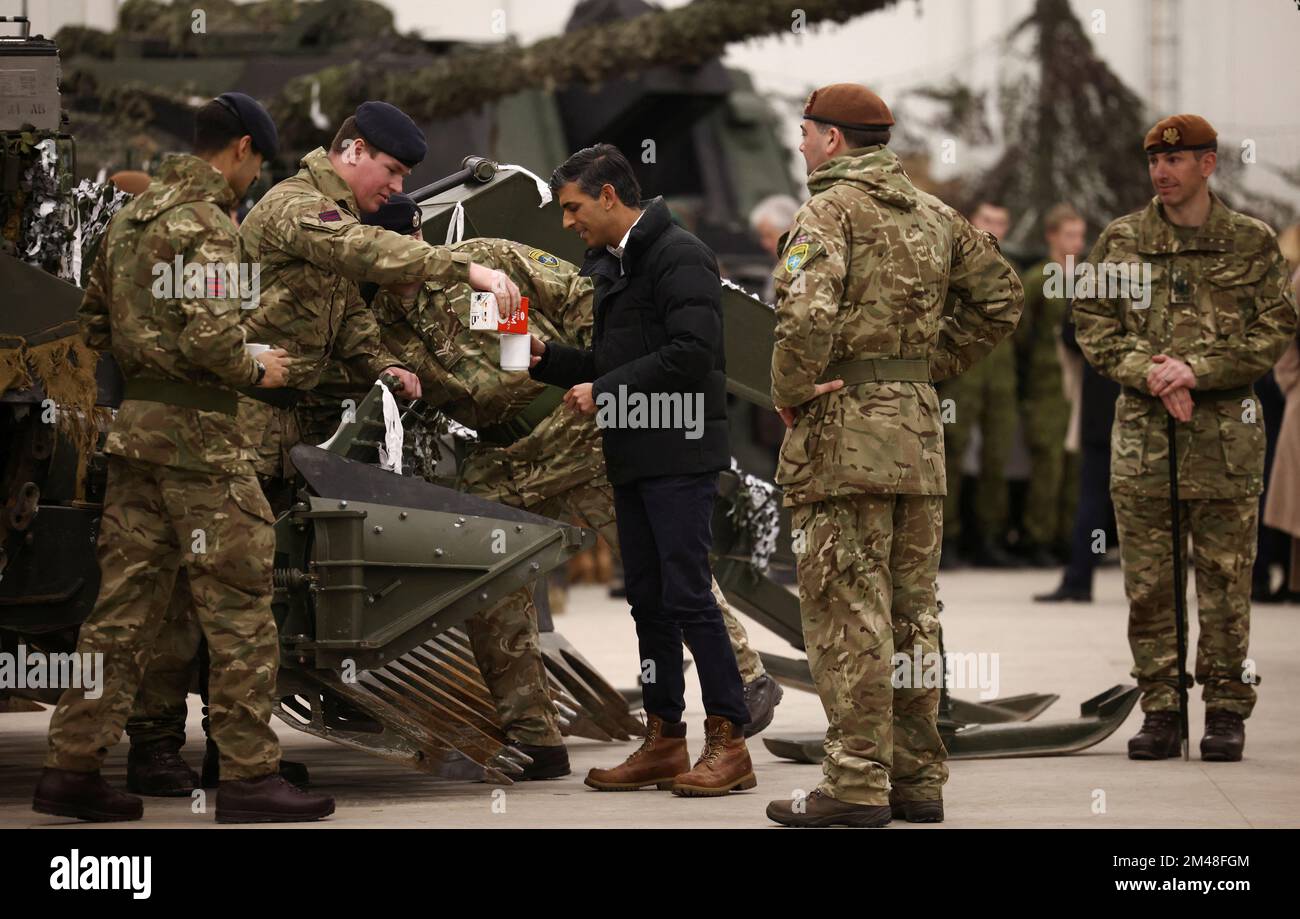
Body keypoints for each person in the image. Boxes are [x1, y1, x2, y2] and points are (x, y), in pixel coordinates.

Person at [352, 198, 782, 736]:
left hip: (574, 433)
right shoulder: (376, 324)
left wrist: (604, 381)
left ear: (418, 235)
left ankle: (745, 680)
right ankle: (532, 728)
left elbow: (587, 302)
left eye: (409, 242)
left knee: (667, 567)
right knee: (484, 582)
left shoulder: (490, 261)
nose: (404, 258)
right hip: (503, 460)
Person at [34, 93, 335, 823]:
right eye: (255, 163)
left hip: (137, 437)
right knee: (238, 607)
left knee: (122, 610)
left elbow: (94, 321)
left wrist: (156, 363)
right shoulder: (209, 224)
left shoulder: (132, 217)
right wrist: (256, 368)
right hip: (203, 444)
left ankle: (71, 768)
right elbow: (210, 339)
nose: (252, 178)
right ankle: (251, 777)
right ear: (239, 150)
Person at [763, 84, 1022, 827]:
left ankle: (853, 783)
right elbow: (1002, 298)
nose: (803, 145)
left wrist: (791, 388)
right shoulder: (936, 214)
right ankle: (915, 777)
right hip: (915, 432)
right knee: (913, 615)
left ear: (835, 140)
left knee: (848, 610)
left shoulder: (829, 209)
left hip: (842, 433)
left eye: (807, 133)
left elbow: (806, 311)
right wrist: (925, 364)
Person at [528, 143, 756, 796]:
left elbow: (691, 353)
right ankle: (664, 738)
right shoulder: (614, 263)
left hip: (680, 453)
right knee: (649, 603)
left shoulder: (679, 255)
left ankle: (729, 739)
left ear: (607, 196)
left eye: (573, 208)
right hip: (635, 453)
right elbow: (613, 358)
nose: (568, 223)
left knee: (688, 597)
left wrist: (607, 391)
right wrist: (548, 360)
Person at [1073, 114, 1297, 762]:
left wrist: (1198, 369)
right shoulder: (1121, 242)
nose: (1162, 173)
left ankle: (1226, 709)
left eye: (1176, 161)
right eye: (1154, 162)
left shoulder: (1250, 242)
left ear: (1208, 164)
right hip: (1146, 442)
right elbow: (1093, 325)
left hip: (1225, 441)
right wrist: (1151, 371)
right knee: (1149, 586)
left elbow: (1272, 329)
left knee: (1226, 582)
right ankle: (1162, 708)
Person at [936, 202, 1020, 568]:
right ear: (973, 222)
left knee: (996, 456)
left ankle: (988, 536)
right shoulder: (953, 265)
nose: (995, 227)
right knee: (951, 454)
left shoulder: (1008, 270)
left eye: (1001, 221)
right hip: (962, 377)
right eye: (988, 220)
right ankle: (949, 538)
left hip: (1000, 379)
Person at [1016, 203, 1087, 566]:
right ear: (1052, 236)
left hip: (1077, 382)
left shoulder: (1085, 277)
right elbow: (1021, 335)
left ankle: (1066, 537)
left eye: (1080, 235)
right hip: (1045, 382)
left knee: (1075, 465)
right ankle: (1037, 537)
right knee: (1049, 465)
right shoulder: (1038, 278)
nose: (1076, 242)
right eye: (1069, 234)